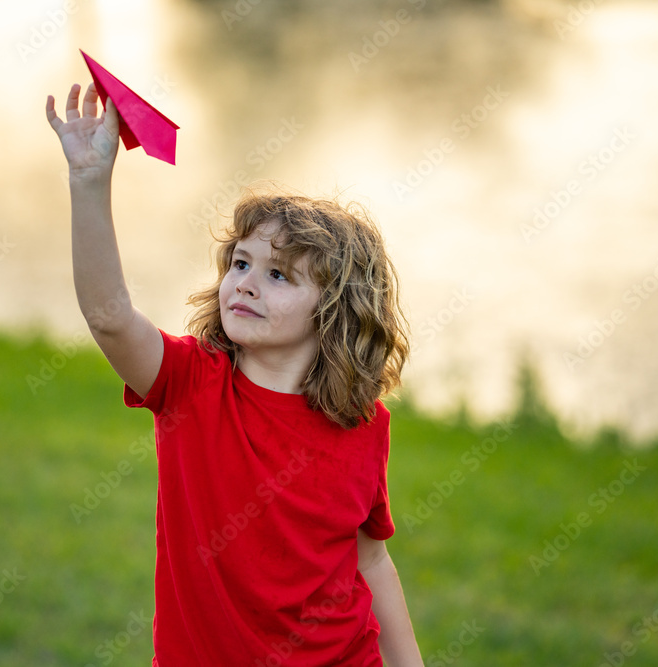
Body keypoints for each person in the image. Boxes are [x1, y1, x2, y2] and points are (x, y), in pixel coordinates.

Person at [47, 81, 424, 666]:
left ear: (333, 311)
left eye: (279, 275)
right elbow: (110, 318)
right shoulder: (189, 385)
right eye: (241, 262)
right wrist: (88, 183)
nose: (245, 281)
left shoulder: (364, 424)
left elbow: (369, 560)